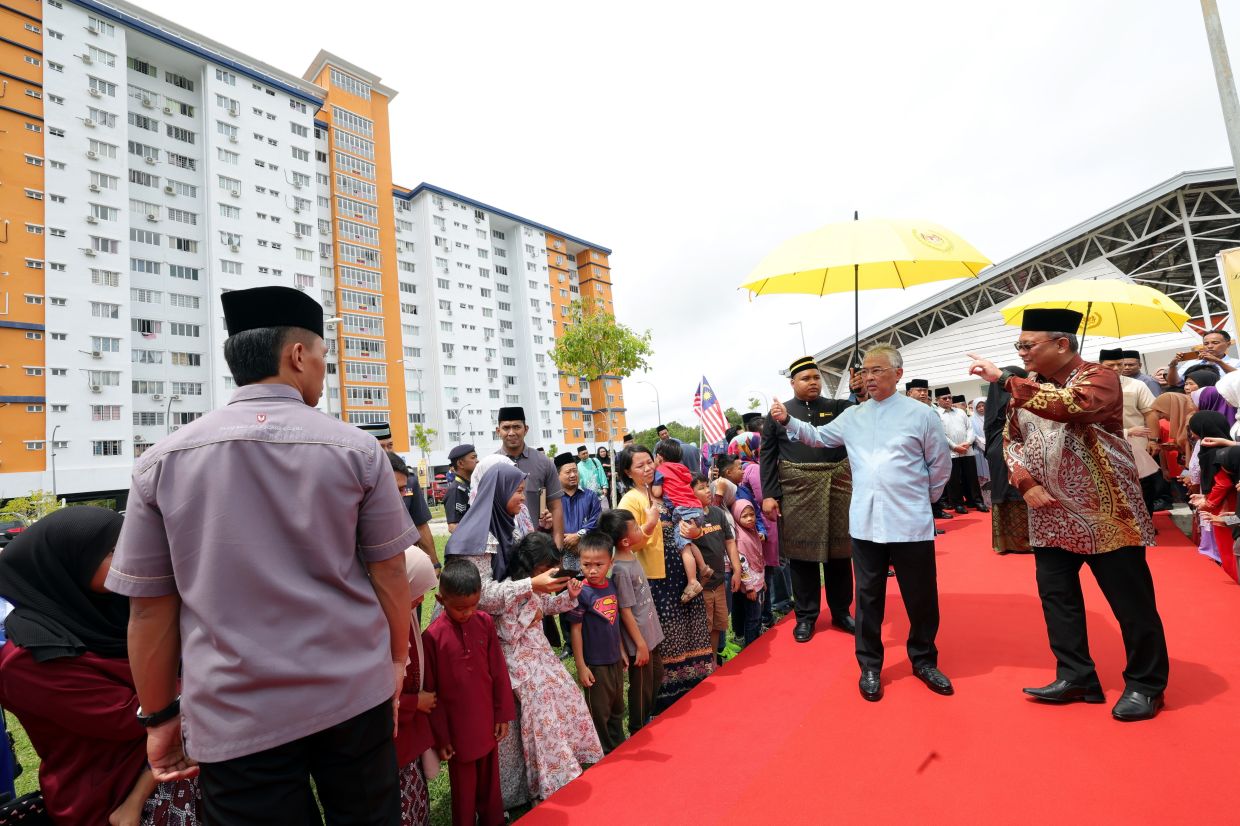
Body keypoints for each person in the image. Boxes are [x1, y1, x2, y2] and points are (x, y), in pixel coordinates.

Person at [106, 285, 413, 822]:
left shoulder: (160, 462)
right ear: (298, 355)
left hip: (234, 713)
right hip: (351, 694)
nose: (324, 369)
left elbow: (150, 608)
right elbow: (389, 572)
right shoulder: (358, 450)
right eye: (323, 357)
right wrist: (396, 662)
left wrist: (158, 719)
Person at [968, 307, 1169, 722]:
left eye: (1028, 345)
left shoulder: (1098, 378)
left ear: (1062, 344)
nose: (1022, 353)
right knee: (1058, 599)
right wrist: (1026, 483)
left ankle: (1146, 684)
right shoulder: (1031, 385)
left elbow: (1072, 407)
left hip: (1105, 514)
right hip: (1050, 514)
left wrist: (1004, 380)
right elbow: (1012, 440)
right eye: (1018, 346)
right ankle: (1076, 676)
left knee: (1131, 603)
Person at [770, 344, 953, 702]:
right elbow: (819, 437)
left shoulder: (921, 414)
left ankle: (923, 659)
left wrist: (923, 500)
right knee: (868, 598)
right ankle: (870, 665)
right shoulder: (853, 417)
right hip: (866, 523)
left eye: (877, 370)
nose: (869, 377)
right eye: (865, 371)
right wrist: (787, 421)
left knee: (921, 596)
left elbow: (940, 465)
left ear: (898, 374)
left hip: (910, 521)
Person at [0, 507, 201, 825]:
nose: (131, 557)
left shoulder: (125, 610)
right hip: (111, 798)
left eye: (131, 544)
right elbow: (128, 717)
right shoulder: (28, 658)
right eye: (112, 550)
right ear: (68, 563)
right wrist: (209, 678)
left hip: (171, 767)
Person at [495, 533, 601, 801]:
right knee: (541, 708)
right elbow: (507, 632)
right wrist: (534, 612)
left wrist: (569, 597)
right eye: (544, 569)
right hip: (519, 659)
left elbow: (548, 607)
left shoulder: (536, 588)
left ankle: (571, 755)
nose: (548, 575)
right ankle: (552, 774)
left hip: (540, 653)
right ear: (530, 567)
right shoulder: (512, 589)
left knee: (567, 692)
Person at [760, 356, 855, 643]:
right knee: (802, 558)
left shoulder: (839, 408)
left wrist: (860, 391)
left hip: (838, 487)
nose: (813, 382)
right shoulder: (779, 413)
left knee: (840, 555)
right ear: (792, 383)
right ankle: (806, 616)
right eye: (806, 378)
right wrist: (770, 495)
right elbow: (768, 457)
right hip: (796, 492)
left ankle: (841, 612)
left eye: (816, 377)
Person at [616, 445, 715, 709]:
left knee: (689, 625)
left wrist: (694, 532)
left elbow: (692, 525)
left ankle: (695, 682)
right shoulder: (630, 500)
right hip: (654, 577)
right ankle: (669, 697)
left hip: (681, 571)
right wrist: (649, 524)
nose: (648, 468)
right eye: (640, 466)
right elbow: (626, 543)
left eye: (649, 462)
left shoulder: (665, 491)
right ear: (627, 472)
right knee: (667, 633)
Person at [425, 561, 515, 826]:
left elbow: (498, 671)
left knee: (490, 782)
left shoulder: (484, 622)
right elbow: (431, 693)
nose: (467, 613)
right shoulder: (432, 637)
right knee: (463, 790)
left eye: (474, 605)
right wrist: (441, 737)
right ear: (441, 599)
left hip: (486, 719)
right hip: (457, 730)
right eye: (459, 608)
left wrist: (502, 714)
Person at [599, 509, 667, 735]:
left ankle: (649, 716)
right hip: (640, 639)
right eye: (637, 527)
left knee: (656, 676)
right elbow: (625, 611)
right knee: (641, 687)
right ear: (626, 540)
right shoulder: (620, 570)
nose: (641, 528)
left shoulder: (631, 557)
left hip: (651, 633)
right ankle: (638, 727)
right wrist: (639, 644)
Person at [567, 532, 627, 754]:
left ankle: (618, 743)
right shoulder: (581, 592)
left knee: (617, 706)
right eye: (586, 564)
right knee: (598, 711)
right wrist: (581, 666)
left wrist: (620, 650)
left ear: (610, 562)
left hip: (614, 659)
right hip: (595, 662)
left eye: (599, 564)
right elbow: (576, 630)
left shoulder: (611, 585)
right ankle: (601, 750)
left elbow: (614, 620)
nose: (592, 570)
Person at [397, 548, 440, 826]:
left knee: (417, 798)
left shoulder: (405, 613)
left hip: (410, 729)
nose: (422, 598)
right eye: (417, 590)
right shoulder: (382, 624)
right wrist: (416, 703)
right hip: (395, 733)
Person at [680, 475, 740, 660]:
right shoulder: (687, 518)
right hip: (702, 586)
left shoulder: (718, 513)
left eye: (708, 486)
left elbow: (730, 543)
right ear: (689, 493)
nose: (708, 490)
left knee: (717, 625)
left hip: (720, 582)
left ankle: (713, 661)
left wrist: (737, 570)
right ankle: (703, 664)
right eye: (701, 488)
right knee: (703, 627)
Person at [651, 440, 712, 602]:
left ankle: (692, 581)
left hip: (683, 511)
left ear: (659, 457)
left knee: (684, 547)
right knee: (689, 543)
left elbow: (657, 491)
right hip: (696, 508)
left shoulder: (661, 470)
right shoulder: (683, 469)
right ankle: (703, 567)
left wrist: (656, 478)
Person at [496, 406, 564, 547]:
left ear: (526, 429)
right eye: (506, 428)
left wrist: (558, 550)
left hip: (538, 546)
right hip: (503, 545)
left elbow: (555, 507)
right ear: (498, 431)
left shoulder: (544, 462)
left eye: (517, 427)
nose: (511, 432)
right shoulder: (491, 464)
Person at [985, 366, 1032, 554]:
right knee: (1021, 488)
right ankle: (1027, 540)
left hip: (997, 450)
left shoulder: (993, 406)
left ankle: (1005, 542)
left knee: (1009, 490)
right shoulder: (1019, 399)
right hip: (1014, 448)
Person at [935, 386, 987, 514]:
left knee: (972, 478)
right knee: (954, 480)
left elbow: (970, 429)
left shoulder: (960, 412)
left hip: (967, 450)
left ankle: (977, 501)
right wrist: (954, 446)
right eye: (944, 398)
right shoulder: (935, 414)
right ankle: (957, 504)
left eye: (950, 397)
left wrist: (968, 443)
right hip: (951, 453)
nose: (948, 400)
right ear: (938, 400)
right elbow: (940, 433)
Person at [388, 451, 442, 571]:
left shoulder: (408, 480)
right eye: (381, 446)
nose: (385, 450)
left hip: (407, 563)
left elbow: (421, 525)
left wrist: (434, 564)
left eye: (389, 445)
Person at [556, 452, 603, 573]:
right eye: (568, 472)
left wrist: (578, 535)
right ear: (558, 475)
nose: (573, 475)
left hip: (587, 556)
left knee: (589, 590)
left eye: (575, 471)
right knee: (564, 590)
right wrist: (565, 540)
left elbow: (597, 519)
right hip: (561, 558)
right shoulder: (553, 500)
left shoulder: (590, 496)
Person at [730, 499, 767, 646]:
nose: (750, 518)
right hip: (750, 587)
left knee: (755, 615)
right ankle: (751, 645)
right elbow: (742, 565)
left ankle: (753, 640)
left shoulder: (752, 532)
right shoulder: (741, 539)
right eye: (744, 516)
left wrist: (762, 581)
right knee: (753, 617)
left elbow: (757, 558)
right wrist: (750, 587)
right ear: (736, 516)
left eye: (752, 514)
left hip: (757, 582)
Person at [1167, 328, 1239, 385]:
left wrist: (1218, 361)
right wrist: (1173, 365)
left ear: (1228, 344)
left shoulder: (1236, 363)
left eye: (1215, 343)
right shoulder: (1192, 363)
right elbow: (1175, 383)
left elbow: (1237, 378)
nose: (1210, 346)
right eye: (1206, 344)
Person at [445, 444, 478, 533]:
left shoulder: (469, 485)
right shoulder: (456, 489)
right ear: (460, 463)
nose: (477, 461)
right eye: (473, 457)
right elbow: (453, 526)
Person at [971, 397, 990, 495]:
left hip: (993, 448)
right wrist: (984, 446)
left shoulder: (991, 416)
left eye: (983, 405)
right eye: (978, 407)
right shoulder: (971, 420)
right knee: (984, 473)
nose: (981, 408)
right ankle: (987, 500)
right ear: (975, 408)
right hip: (980, 450)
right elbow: (973, 435)